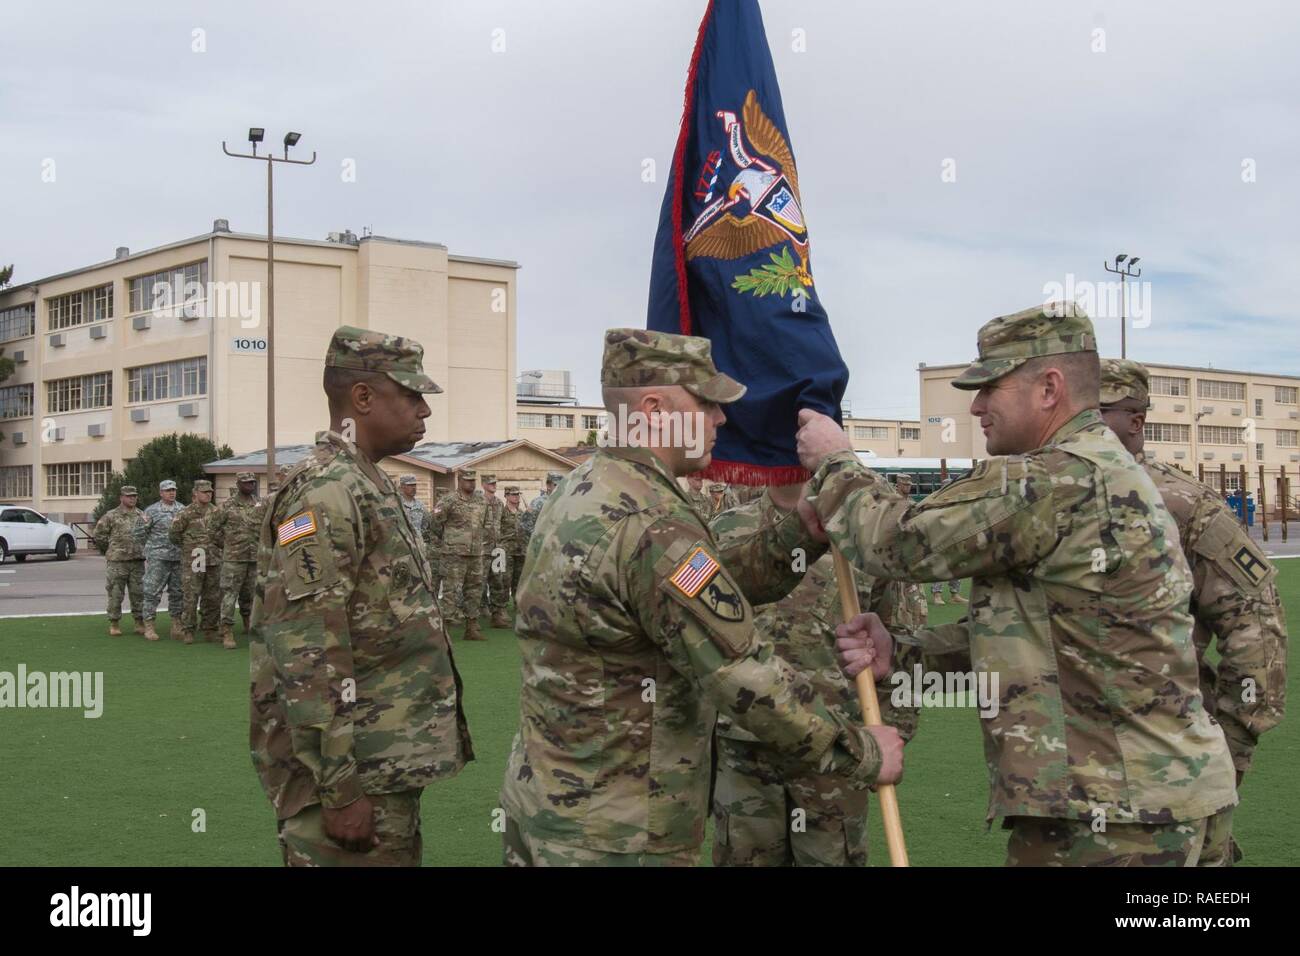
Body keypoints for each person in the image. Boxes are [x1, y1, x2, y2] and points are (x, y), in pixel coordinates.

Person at [796, 303, 1237, 866]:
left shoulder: (1052, 479)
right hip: (1162, 800)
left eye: (991, 387)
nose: (976, 406)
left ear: (1049, 387)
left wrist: (835, 463)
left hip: (1109, 819)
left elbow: (894, 542)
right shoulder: (1108, 471)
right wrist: (903, 653)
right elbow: (1050, 635)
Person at [500, 328, 901, 867]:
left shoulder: (591, 486)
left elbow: (688, 590)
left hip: (556, 803)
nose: (722, 420)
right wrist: (860, 751)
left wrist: (797, 535)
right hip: (618, 831)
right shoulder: (651, 521)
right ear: (653, 407)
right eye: (708, 403)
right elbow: (740, 673)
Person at [250, 325, 472, 867]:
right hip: (353, 774)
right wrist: (340, 786)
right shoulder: (327, 491)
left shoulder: (366, 481)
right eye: (412, 394)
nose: (424, 411)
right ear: (364, 397)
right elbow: (308, 650)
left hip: (381, 762)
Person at [1099, 357, 1288, 866]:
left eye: (1096, 413)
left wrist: (1229, 754)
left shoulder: (1181, 504)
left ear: (1135, 422)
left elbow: (1256, 631)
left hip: (1173, 763)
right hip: (1075, 769)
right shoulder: (1055, 498)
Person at [713, 555, 922, 866]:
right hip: (746, 749)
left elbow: (900, 645)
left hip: (840, 748)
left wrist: (894, 734)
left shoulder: (863, 539)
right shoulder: (730, 534)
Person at [427, 469, 488, 641]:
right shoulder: (448, 500)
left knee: (475, 590)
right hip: (454, 554)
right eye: (467, 480)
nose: (471, 483)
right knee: (451, 591)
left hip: (475, 553)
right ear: (459, 481)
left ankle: (472, 627)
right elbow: (435, 523)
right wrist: (449, 541)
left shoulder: (481, 501)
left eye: (473, 480)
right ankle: (444, 630)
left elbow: (484, 523)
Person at [211, 472, 263, 648]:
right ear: (238, 484)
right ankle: (226, 631)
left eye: (253, 483)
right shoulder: (227, 506)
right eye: (246, 483)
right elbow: (212, 529)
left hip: (254, 557)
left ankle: (249, 625)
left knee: (251, 595)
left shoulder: (259, 504)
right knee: (229, 595)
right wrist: (226, 545)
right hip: (234, 558)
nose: (250, 485)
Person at [169, 479, 222, 644]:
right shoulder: (186, 513)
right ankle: (188, 630)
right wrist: (189, 547)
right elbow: (174, 535)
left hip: (213, 559)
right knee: (191, 596)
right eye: (205, 492)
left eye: (210, 492)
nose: (208, 494)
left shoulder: (217, 512)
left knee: (212, 596)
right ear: (195, 494)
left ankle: (209, 629)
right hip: (194, 560)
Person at [136, 479, 185, 641]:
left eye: (173, 490)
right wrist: (152, 548)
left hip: (178, 558)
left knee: (178, 592)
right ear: (161, 492)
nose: (172, 493)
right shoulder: (152, 511)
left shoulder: (182, 510)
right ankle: (149, 625)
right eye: (168, 490)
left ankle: (176, 625)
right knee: (151, 592)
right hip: (158, 559)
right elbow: (138, 533)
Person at [93, 485, 146, 636]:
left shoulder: (141, 515)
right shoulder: (111, 515)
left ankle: (139, 621)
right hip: (117, 562)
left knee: (138, 593)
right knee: (115, 593)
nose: (132, 498)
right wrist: (111, 549)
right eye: (129, 496)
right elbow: (99, 535)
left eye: (134, 496)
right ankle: (114, 623)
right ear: (121, 497)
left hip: (137, 561)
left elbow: (147, 534)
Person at [480, 473, 511, 628]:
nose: (494, 485)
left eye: (494, 483)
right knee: (479, 582)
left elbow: (505, 523)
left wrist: (502, 542)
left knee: (497, 581)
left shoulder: (499, 503)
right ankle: (479, 610)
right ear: (483, 484)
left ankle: (497, 614)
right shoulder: (477, 502)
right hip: (481, 549)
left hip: (497, 549)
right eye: (490, 483)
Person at [500, 485, 527, 607]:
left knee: (519, 579)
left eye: (518, 494)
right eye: (513, 495)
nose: (516, 497)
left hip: (521, 551)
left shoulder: (522, 513)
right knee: (505, 579)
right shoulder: (502, 512)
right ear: (506, 496)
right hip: (506, 551)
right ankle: (502, 607)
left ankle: (518, 603)